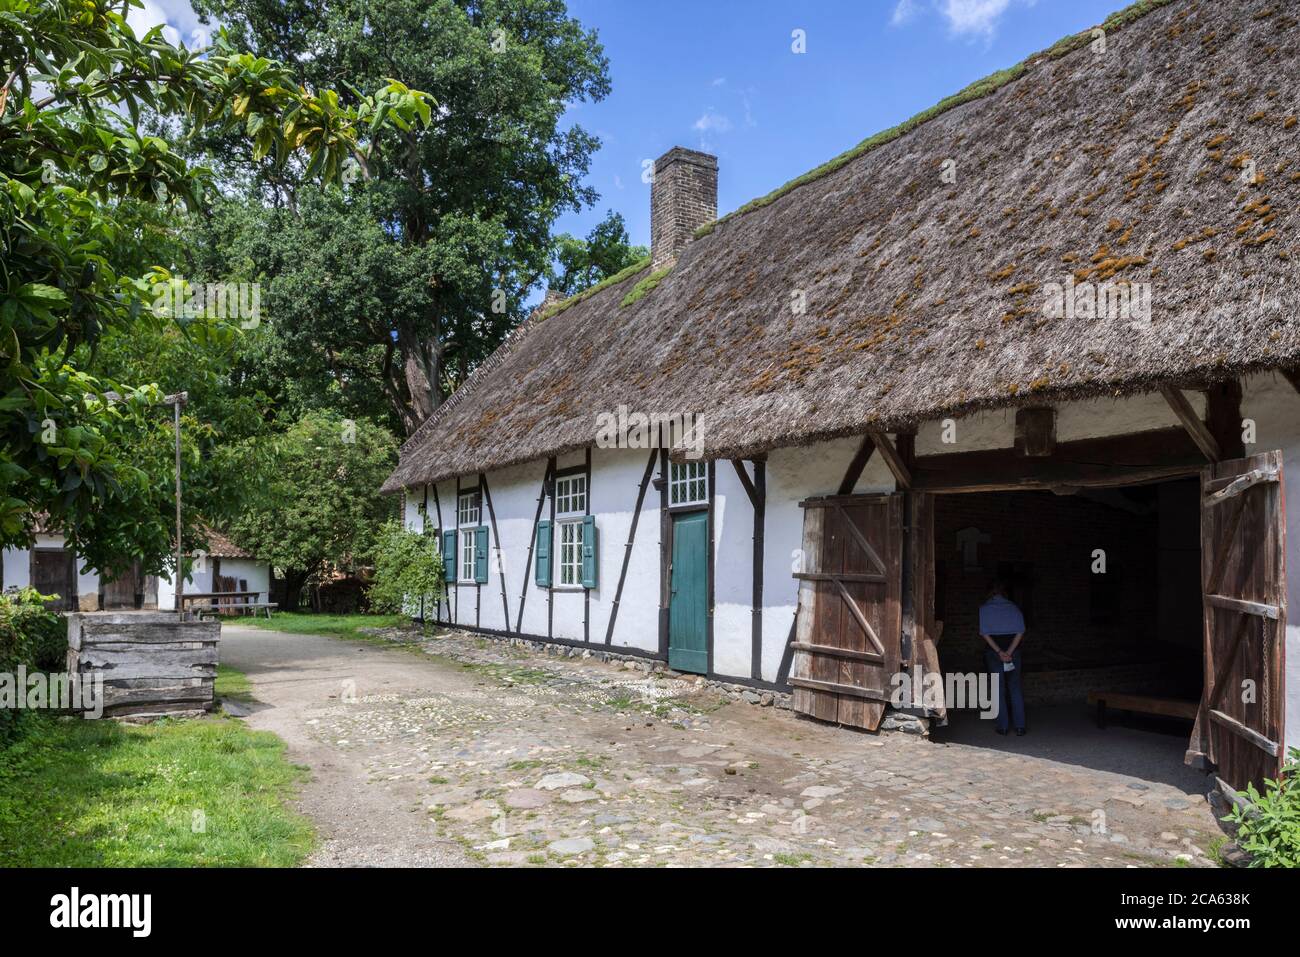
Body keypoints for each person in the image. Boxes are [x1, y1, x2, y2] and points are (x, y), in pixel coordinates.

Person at [979, 580, 1027, 736]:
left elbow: (984, 634)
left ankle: (1003, 727)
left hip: (994, 653)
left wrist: (999, 652)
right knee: (1015, 688)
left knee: (997, 690)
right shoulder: (1014, 608)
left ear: (990, 594)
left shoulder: (984, 609)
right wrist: (1010, 652)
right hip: (1013, 652)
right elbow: (1020, 631)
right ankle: (1020, 727)